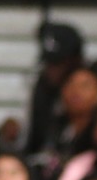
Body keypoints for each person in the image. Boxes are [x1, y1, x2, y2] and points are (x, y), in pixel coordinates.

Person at [9, 22, 85, 160]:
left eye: (58, 63)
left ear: (76, 61)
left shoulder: (94, 93)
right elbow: (31, 141)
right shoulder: (41, 87)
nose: (51, 70)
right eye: (48, 63)